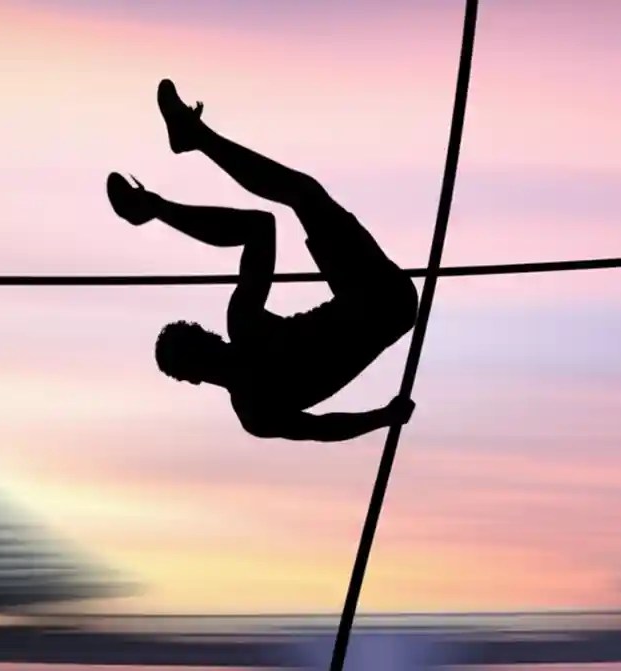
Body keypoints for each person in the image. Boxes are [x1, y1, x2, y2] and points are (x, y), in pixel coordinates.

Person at [107, 79, 419, 442]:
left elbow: (259, 227)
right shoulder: (254, 403)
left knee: (302, 196)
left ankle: (185, 154)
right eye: (197, 347)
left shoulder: (246, 343)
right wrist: (383, 417)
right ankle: (193, 142)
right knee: (303, 194)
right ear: (196, 369)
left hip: (372, 298)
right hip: (387, 301)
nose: (207, 347)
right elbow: (320, 428)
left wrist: (384, 417)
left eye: (198, 343)